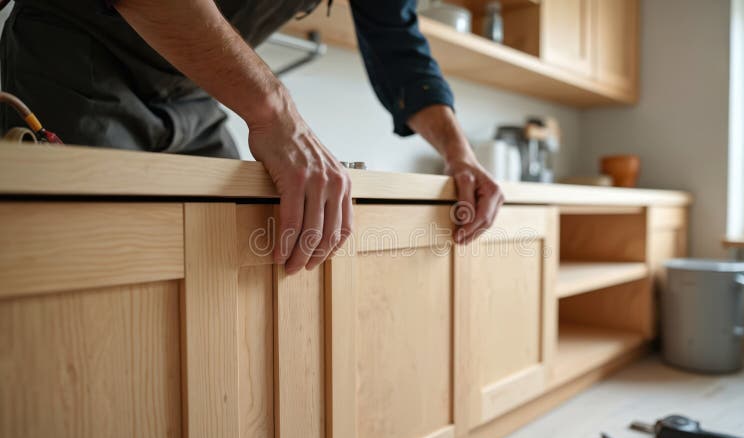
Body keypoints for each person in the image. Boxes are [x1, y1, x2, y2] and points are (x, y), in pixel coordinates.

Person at [0, 0, 504, 273]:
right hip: (73, 54)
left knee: (235, 250)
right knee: (92, 263)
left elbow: (401, 50)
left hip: (190, 87)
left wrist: (460, 155)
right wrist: (278, 115)